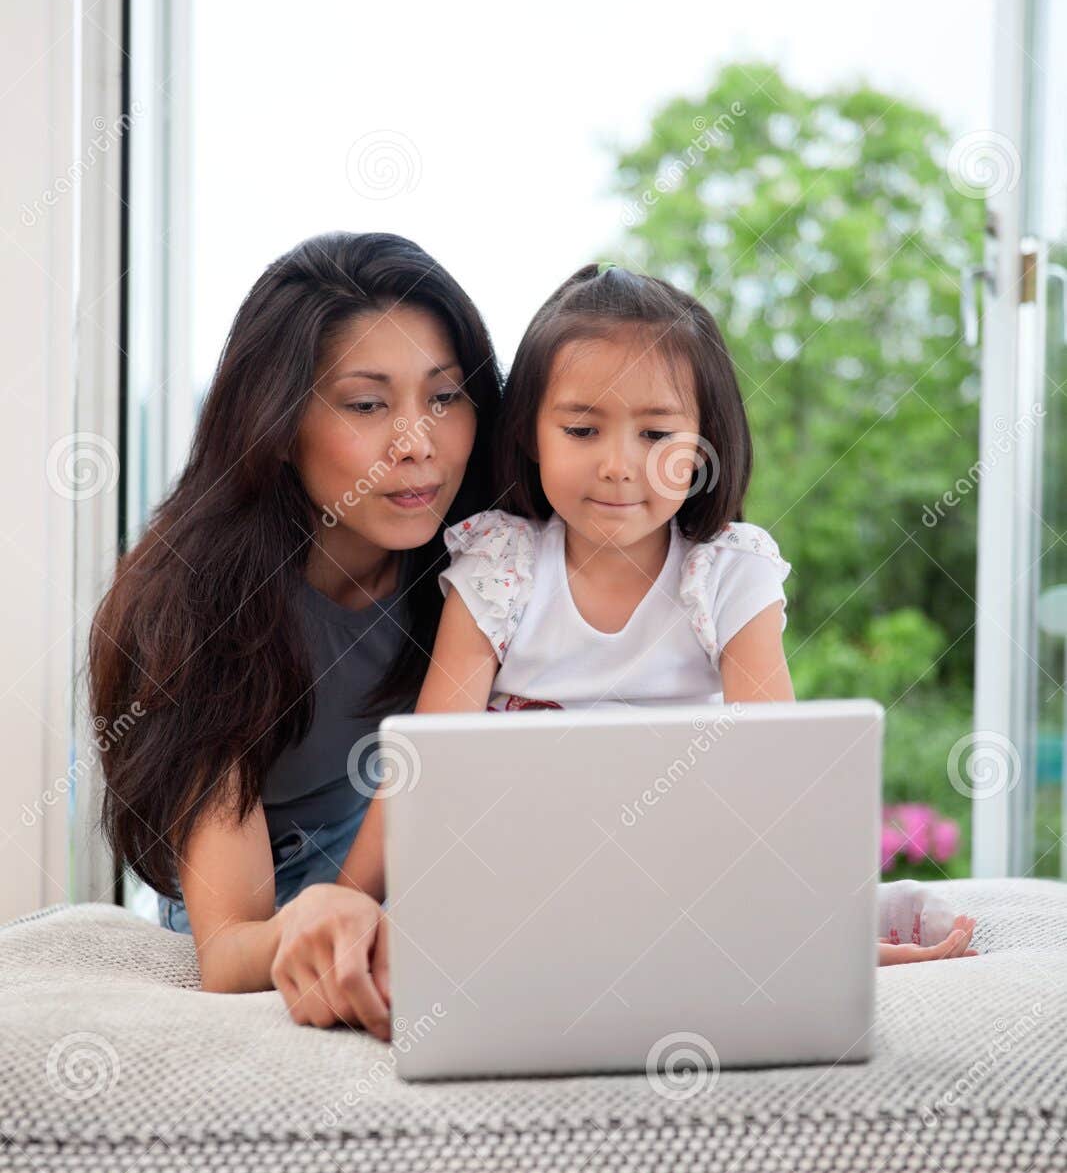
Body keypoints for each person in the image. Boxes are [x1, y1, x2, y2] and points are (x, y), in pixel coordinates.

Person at [343, 263, 977, 968]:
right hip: (521, 873)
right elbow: (427, 763)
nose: (618, 465)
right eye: (582, 430)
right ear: (528, 433)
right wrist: (347, 902)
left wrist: (829, 923)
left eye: (654, 435)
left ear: (702, 444)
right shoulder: (500, 565)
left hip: (686, 874)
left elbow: (776, 774)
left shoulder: (727, 571)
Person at [89, 231, 504, 1033]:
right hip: (288, 904)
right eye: (366, 404)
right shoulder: (204, 605)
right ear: (277, 423)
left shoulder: (488, 555)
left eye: (445, 397)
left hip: (438, 863)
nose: (417, 443)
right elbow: (230, 950)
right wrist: (334, 913)